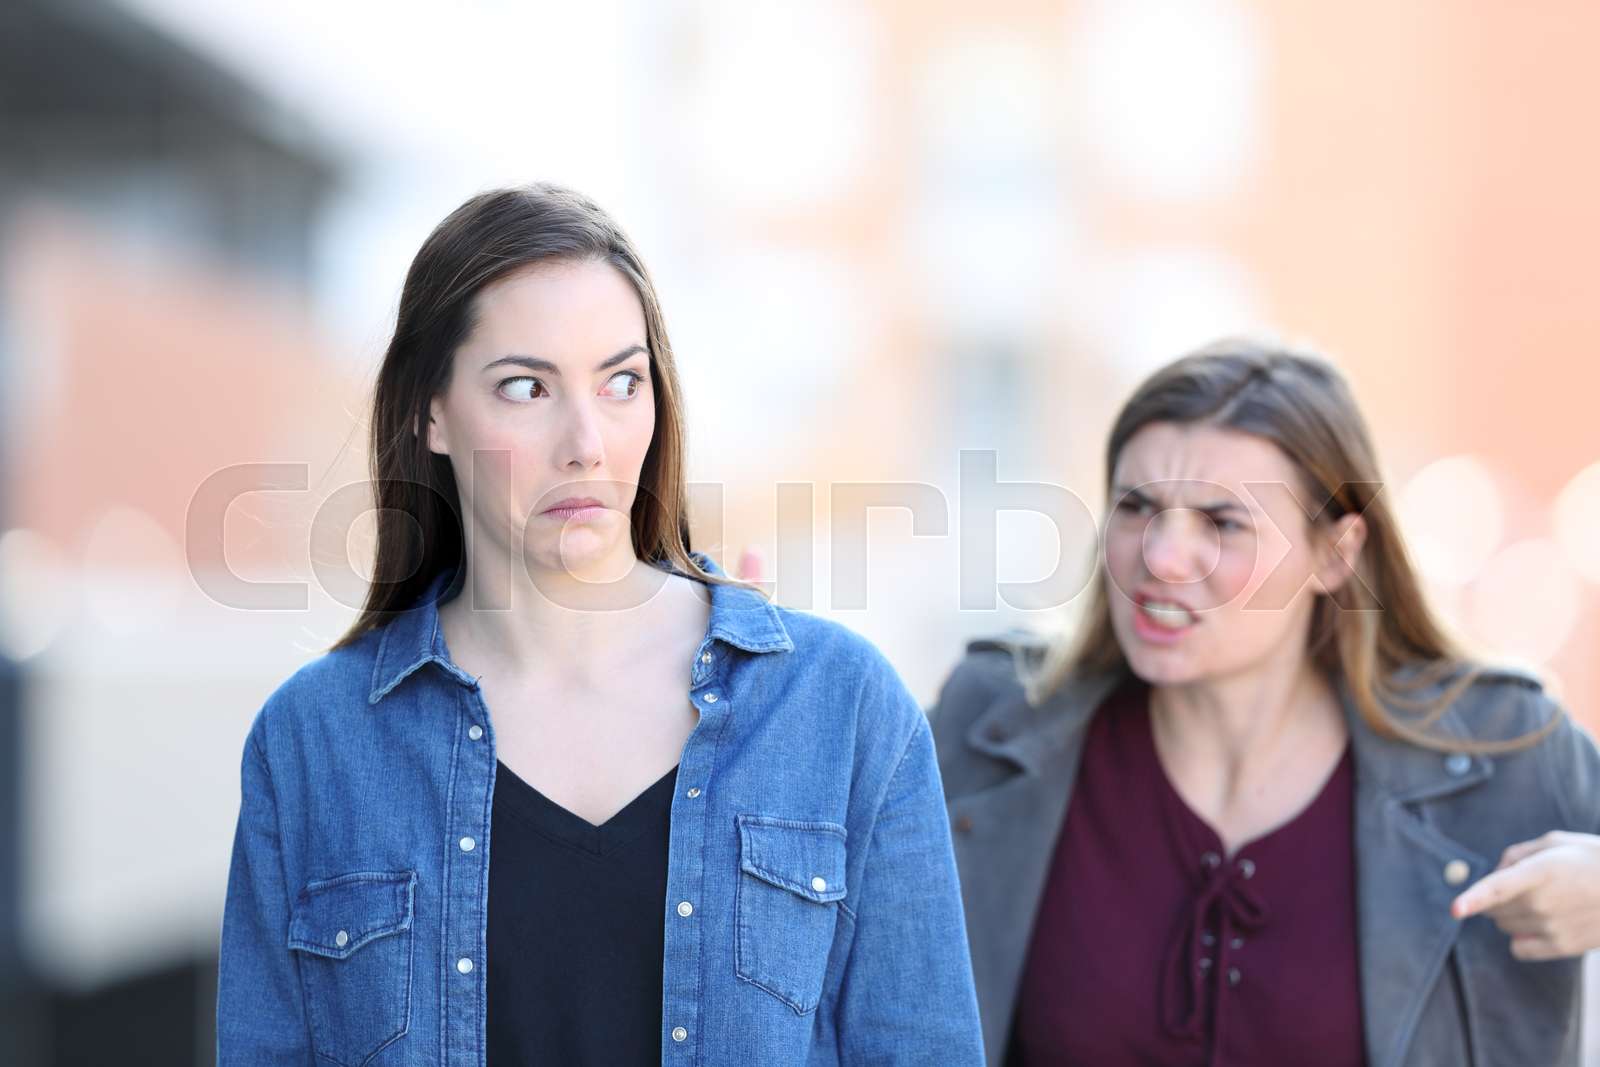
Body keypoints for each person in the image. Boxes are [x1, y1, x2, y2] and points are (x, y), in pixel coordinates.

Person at [215, 183, 985, 1065]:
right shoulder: (314, 741)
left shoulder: (842, 710)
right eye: (525, 386)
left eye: (621, 381)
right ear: (431, 412)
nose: (586, 439)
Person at [927, 339, 1600, 1066]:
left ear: (1337, 554)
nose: (1161, 556)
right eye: (1137, 506)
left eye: (1223, 523)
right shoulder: (992, 724)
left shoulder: (1502, 748)